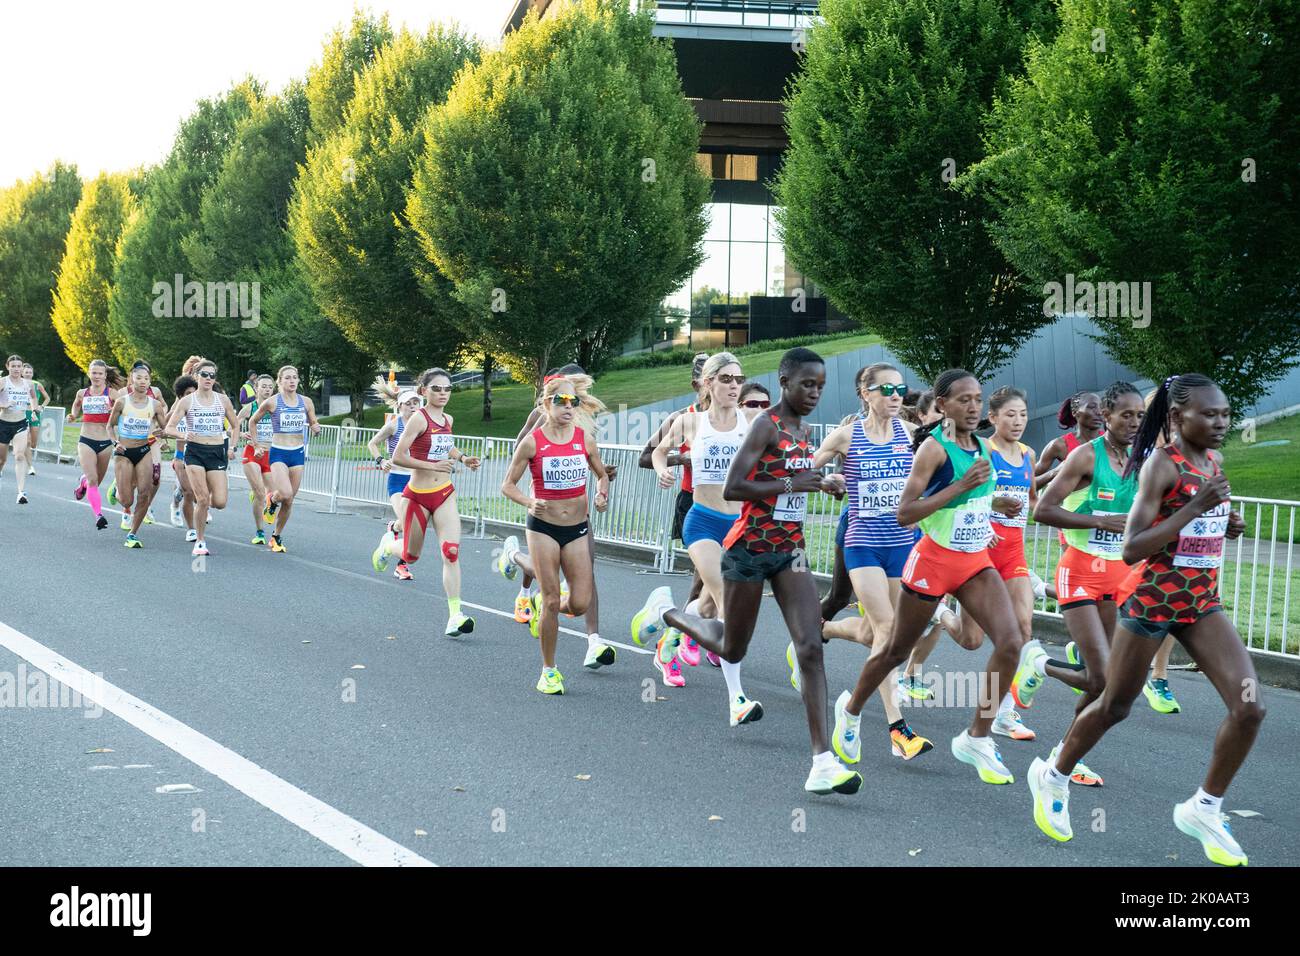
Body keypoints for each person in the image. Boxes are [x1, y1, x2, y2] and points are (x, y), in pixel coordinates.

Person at [1027, 374, 1261, 867]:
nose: (1221, 423)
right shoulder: (1162, 465)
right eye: (1209, 415)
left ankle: (1205, 808)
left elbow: (1199, 530)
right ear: (1178, 418)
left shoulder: (1213, 460)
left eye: (1225, 414)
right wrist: (1198, 506)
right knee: (1114, 704)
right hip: (1153, 601)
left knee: (1251, 706)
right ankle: (1054, 772)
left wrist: (1227, 524)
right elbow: (1134, 545)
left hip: (1201, 602)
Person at [631, 348, 862, 796]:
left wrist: (827, 484)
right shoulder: (765, 425)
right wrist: (797, 484)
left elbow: (793, 484)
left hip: (790, 550)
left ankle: (822, 762)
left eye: (820, 385)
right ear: (784, 383)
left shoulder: (805, 430)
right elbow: (738, 486)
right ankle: (668, 614)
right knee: (732, 647)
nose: (814, 392)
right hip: (749, 549)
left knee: (811, 646)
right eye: (806, 384)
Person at [830, 368, 1026, 786]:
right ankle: (850, 710)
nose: (974, 407)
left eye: (978, 399)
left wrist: (996, 503)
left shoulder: (980, 446)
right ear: (942, 407)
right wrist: (959, 487)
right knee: (895, 650)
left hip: (975, 561)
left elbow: (974, 494)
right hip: (933, 563)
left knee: (1010, 643)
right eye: (963, 400)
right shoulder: (933, 449)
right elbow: (906, 512)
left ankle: (977, 736)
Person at [1018, 381, 1144, 786]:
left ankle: (1066, 753)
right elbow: (1045, 511)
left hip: (1118, 575)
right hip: (1079, 572)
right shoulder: (1084, 457)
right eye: (1126, 415)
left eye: (1140, 416)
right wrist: (1098, 521)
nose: (1133, 423)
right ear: (1106, 417)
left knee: (1099, 683)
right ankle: (1038, 662)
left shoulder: (1143, 460)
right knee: (1102, 678)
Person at [809, 363, 933, 760]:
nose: (896, 395)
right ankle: (897, 728)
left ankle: (824, 630)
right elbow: (803, 470)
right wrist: (829, 480)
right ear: (865, 393)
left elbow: (946, 474)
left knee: (873, 636)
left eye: (900, 388)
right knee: (887, 628)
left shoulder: (912, 435)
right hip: (862, 544)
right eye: (886, 389)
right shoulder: (846, 435)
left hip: (903, 545)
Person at [648, 352, 762, 722]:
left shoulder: (753, 419)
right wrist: (663, 471)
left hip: (740, 525)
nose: (734, 385)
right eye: (726, 379)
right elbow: (658, 451)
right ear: (708, 383)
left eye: (738, 379)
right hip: (702, 522)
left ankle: (669, 625)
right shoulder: (689, 422)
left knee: (709, 607)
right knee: (730, 604)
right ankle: (737, 700)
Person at [500, 375, 610, 694]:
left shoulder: (583, 439)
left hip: (576, 529)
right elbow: (507, 485)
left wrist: (602, 495)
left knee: (578, 603)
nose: (568, 407)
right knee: (552, 600)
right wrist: (528, 501)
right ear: (546, 403)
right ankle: (549, 671)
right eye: (561, 401)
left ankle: (537, 601)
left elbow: (601, 475)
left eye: (573, 401)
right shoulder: (533, 442)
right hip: (543, 529)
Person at [372, 367, 482, 637]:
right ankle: (389, 545)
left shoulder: (448, 419)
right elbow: (398, 456)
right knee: (411, 555)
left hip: (444, 493)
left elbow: (446, 446)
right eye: (437, 389)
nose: (443, 393)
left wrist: (463, 457)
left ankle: (455, 615)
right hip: (417, 496)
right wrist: (432, 464)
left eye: (447, 389)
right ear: (424, 391)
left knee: (451, 551)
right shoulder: (418, 420)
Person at [163, 360, 241, 556]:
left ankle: (202, 511)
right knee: (203, 498)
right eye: (204, 374)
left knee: (220, 501)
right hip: (195, 452)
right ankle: (200, 540)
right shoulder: (187, 401)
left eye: (212, 375)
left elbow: (235, 425)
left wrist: (232, 446)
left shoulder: (222, 400)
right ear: (196, 376)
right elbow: (169, 428)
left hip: (216, 452)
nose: (208, 378)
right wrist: (183, 435)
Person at [248, 366, 321, 553]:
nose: (292, 381)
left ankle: (276, 536)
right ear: (279, 382)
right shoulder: (272, 402)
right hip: (278, 452)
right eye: (287, 378)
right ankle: (272, 499)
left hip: (297, 453)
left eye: (295, 377)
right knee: (285, 493)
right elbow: (252, 421)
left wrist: (315, 427)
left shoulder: (306, 402)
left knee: (289, 500)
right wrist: (256, 445)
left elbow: (313, 421)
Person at [105, 362, 169, 547]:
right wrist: (115, 442)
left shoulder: (155, 405)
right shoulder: (122, 401)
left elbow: (165, 427)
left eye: (146, 378)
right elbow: (110, 426)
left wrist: (162, 433)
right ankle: (117, 490)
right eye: (139, 378)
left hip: (143, 451)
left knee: (144, 493)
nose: (142, 381)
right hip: (124, 452)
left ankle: (133, 534)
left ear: (150, 382)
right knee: (127, 499)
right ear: (132, 380)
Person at [367, 380, 423, 580]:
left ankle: (393, 529)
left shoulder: (422, 426)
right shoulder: (394, 425)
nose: (413, 406)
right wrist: (381, 461)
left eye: (416, 403)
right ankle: (402, 566)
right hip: (398, 480)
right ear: (400, 406)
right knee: (409, 523)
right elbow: (372, 443)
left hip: (417, 481)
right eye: (408, 403)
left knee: (414, 525)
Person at [236, 374, 276, 545]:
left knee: (273, 494)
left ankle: (260, 498)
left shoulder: (276, 407)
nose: (267, 389)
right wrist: (241, 434)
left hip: (271, 454)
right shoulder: (250, 408)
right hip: (252, 453)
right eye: (264, 386)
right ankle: (260, 532)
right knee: (260, 493)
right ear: (256, 388)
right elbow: (234, 423)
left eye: (270, 387)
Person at [0, 355, 36, 503]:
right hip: (3, 423)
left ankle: (21, 492)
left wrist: (33, 410)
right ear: (8, 367)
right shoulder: (3, 382)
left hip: (21, 422)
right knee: (1, 460)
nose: (16, 369)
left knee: (20, 455)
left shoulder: (28, 384)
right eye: (13, 366)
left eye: (18, 366)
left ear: (22, 368)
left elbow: (33, 398)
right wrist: (3, 404)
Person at [168, 375, 199, 541]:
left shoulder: (201, 410)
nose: (191, 396)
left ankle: (176, 497)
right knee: (189, 492)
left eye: (194, 392)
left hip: (199, 456)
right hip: (180, 457)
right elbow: (163, 428)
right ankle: (191, 529)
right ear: (180, 396)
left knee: (189, 492)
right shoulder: (176, 412)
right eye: (187, 393)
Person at [21, 363, 49, 475]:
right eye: (26, 372)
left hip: (34, 414)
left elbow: (47, 398)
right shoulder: (18, 384)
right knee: (26, 441)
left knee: (33, 443)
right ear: (22, 373)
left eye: (30, 372)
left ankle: (24, 455)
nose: (28, 374)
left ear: (33, 374)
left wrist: (41, 406)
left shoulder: (37, 384)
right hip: (22, 414)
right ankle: (30, 467)